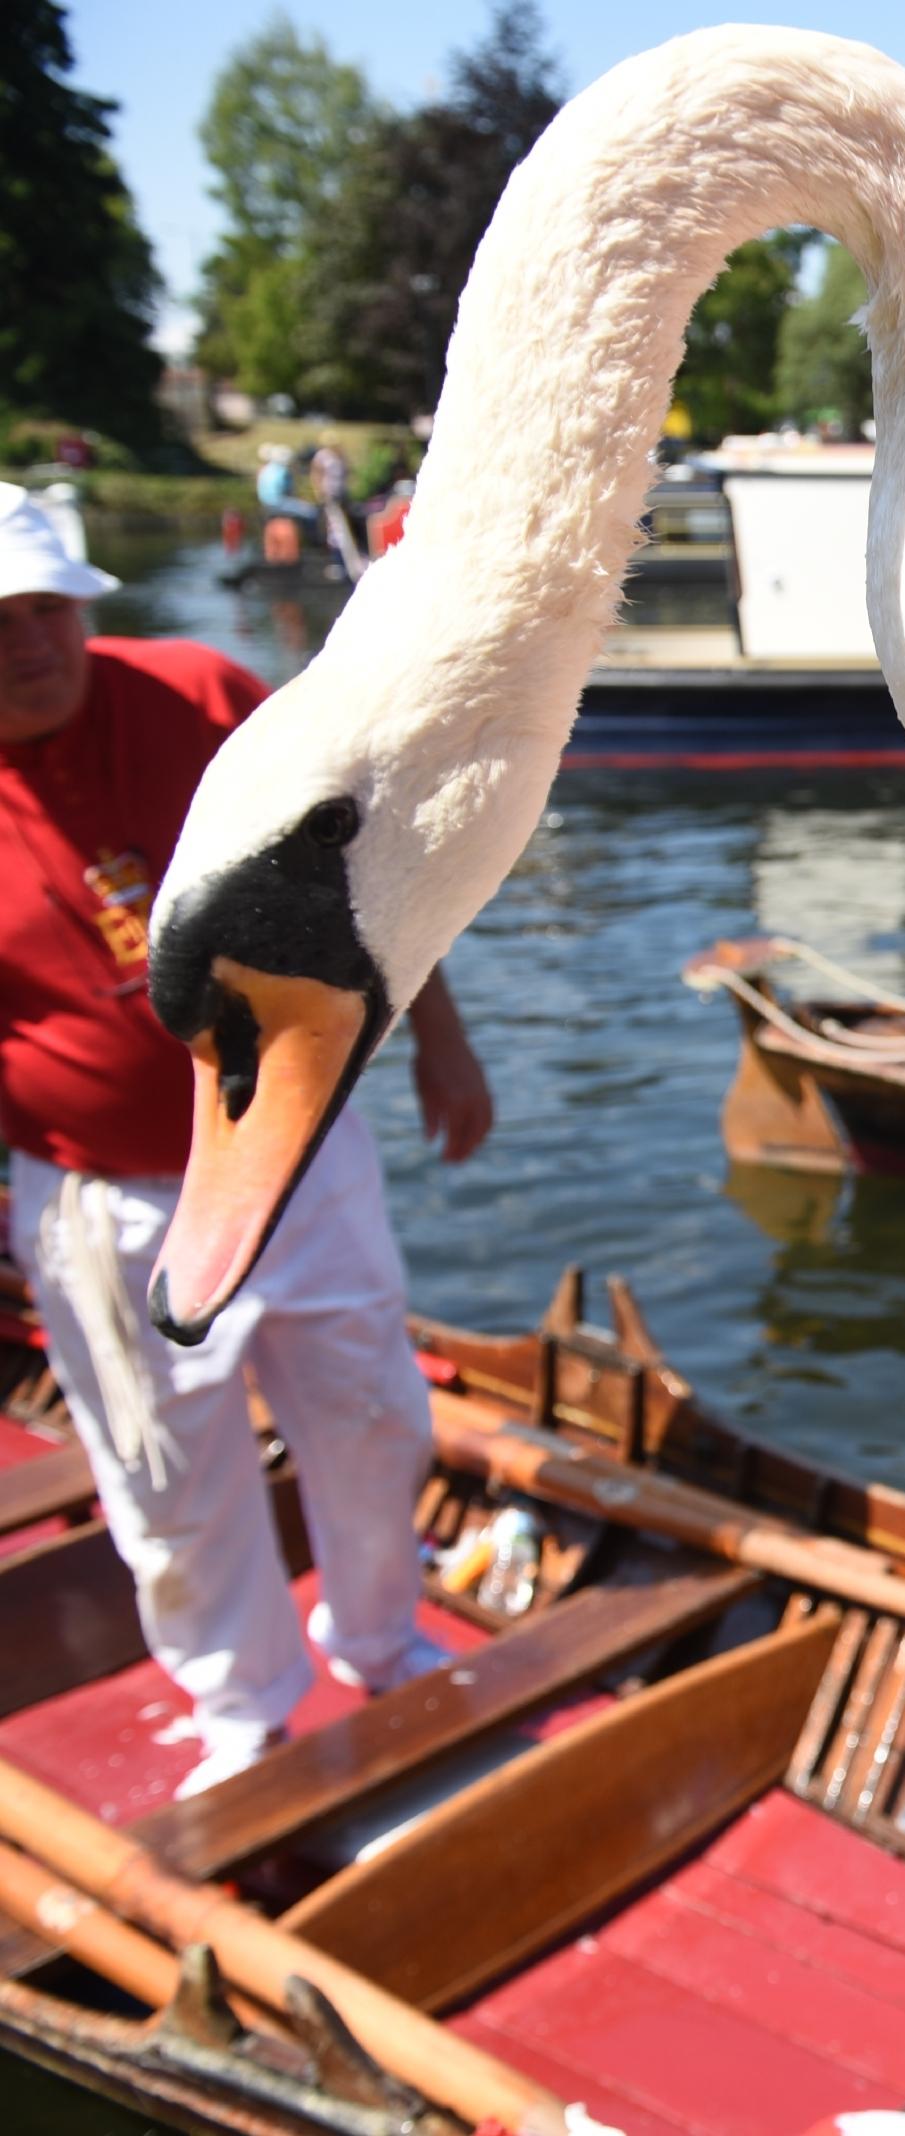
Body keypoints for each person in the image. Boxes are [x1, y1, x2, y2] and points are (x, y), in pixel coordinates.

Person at [0, 486, 495, 1796]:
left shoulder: (202, 690)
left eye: (45, 609)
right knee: (167, 1465)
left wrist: (440, 1040)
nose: (26, 643)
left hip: (298, 1145)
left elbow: (360, 881)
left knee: (374, 1409)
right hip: (101, 1192)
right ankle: (239, 1703)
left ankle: (378, 1639)